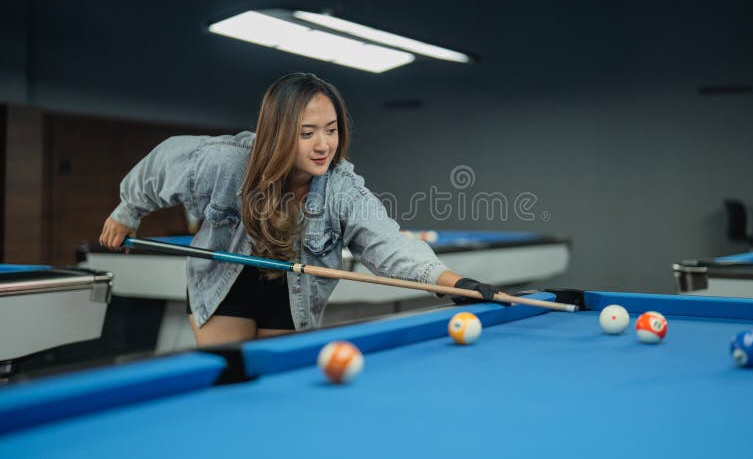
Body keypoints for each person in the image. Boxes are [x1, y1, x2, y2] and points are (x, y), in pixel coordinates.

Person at [99, 73, 501, 346]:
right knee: (234, 385)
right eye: (307, 133)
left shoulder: (343, 188)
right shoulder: (225, 162)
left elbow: (389, 245)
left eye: (331, 129)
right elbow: (163, 163)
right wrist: (126, 212)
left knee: (275, 396)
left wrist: (454, 282)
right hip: (224, 283)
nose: (323, 144)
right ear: (277, 133)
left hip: (291, 294)